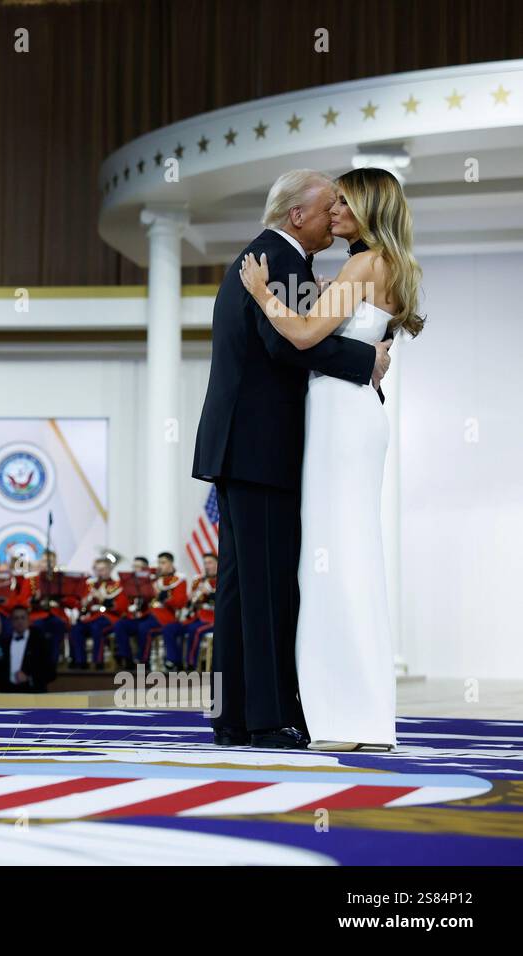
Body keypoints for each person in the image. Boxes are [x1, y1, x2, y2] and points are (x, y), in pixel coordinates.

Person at [191, 168, 393, 750]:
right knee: (267, 585)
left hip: (244, 448)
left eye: (342, 205)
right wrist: (366, 362)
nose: (334, 214)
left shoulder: (279, 260)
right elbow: (288, 341)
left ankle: (233, 719)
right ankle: (269, 718)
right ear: (295, 216)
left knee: (239, 588)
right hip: (260, 450)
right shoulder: (274, 262)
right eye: (327, 204)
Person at [238, 167, 423, 751]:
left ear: (368, 208)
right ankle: (360, 712)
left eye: (344, 202)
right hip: (357, 413)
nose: (334, 211)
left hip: (341, 420)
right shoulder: (389, 266)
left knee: (332, 559)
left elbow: (302, 335)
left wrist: (263, 292)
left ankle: (344, 713)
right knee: (350, 553)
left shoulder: (362, 265)